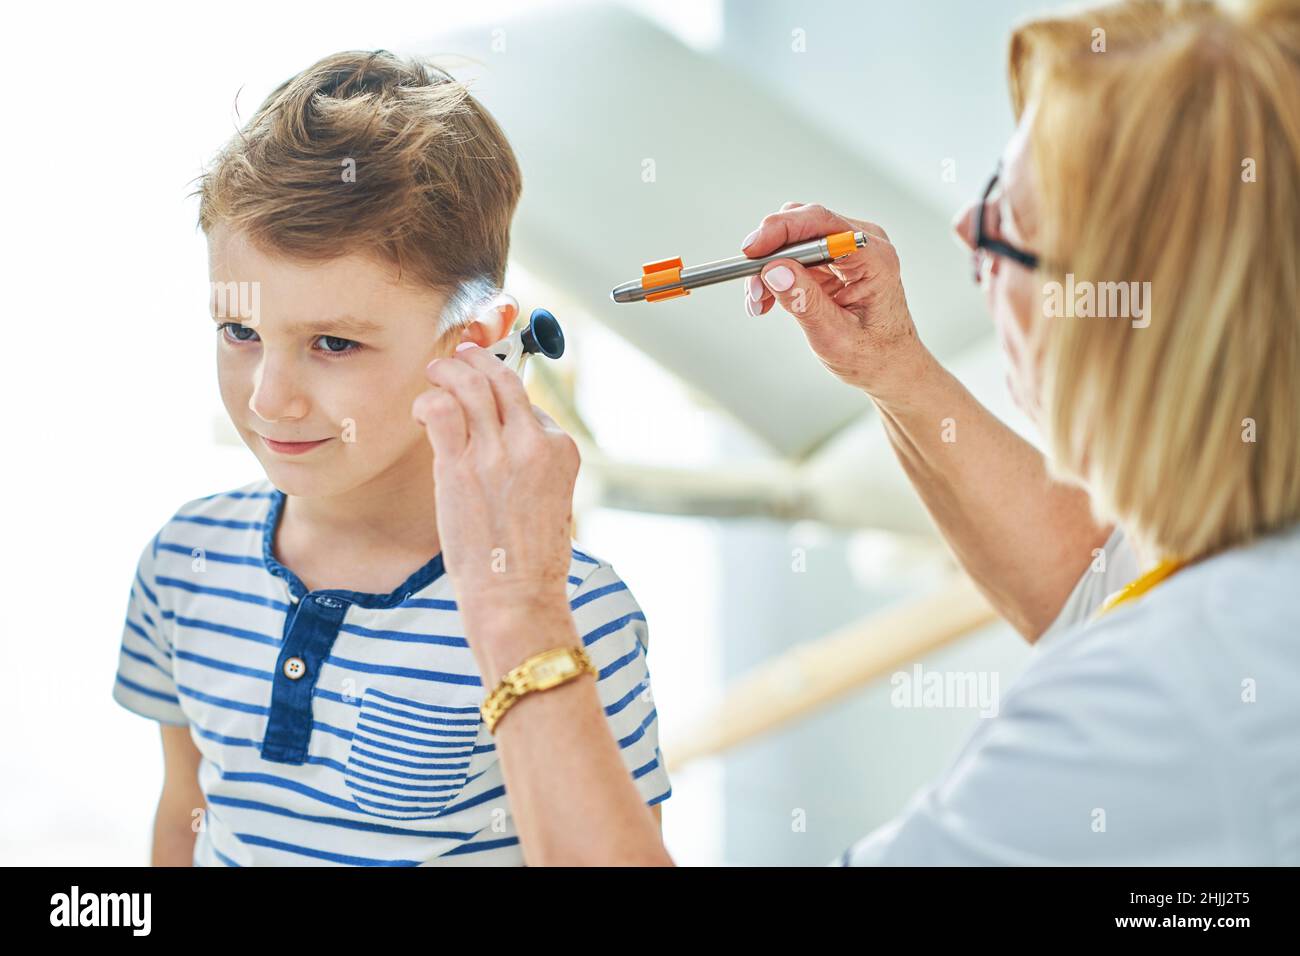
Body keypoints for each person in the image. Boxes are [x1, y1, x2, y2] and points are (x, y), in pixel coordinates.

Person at [414, 0, 1300, 864]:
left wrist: (515, 607)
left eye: (1011, 229)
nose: (962, 229)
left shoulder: (1147, 714)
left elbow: (1145, 654)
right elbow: (1104, 588)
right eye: (989, 184)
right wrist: (895, 367)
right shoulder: (1242, 587)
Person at [111, 50, 670, 867]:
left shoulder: (572, 618)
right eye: (240, 332)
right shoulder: (184, 563)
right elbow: (184, 814)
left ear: (474, 340)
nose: (270, 399)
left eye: (334, 343)